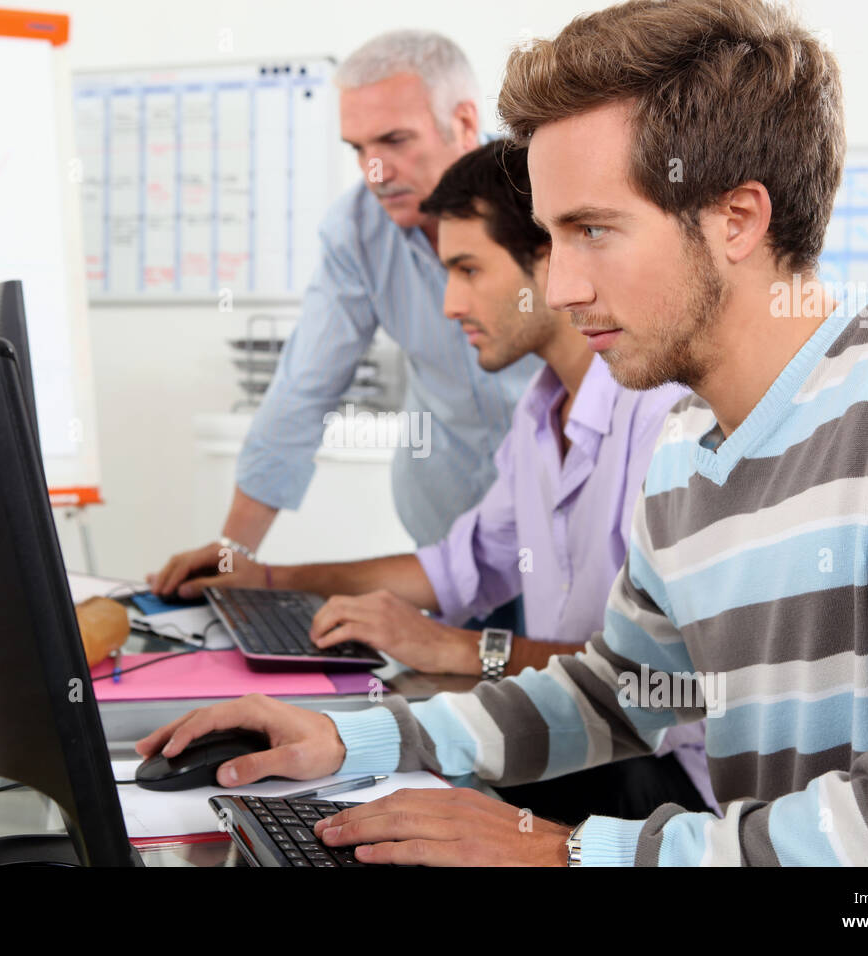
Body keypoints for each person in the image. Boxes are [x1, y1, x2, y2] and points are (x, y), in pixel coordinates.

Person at [139, 0, 868, 866]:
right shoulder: (687, 446)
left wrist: (568, 853)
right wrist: (363, 739)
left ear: (737, 219)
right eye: (552, 239)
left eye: (593, 230)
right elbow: (620, 692)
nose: (560, 289)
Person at [160, 139, 715, 821]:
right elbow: (457, 568)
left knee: (400, 790)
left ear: (550, 261)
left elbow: (662, 685)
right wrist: (266, 577)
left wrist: (462, 648)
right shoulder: (539, 415)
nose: (450, 304)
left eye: (468, 269)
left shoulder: (667, 417)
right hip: (585, 750)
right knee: (351, 793)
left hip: (670, 783)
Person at [150, 30, 542, 601]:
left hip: (562, 512)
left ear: (461, 121)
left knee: (558, 674)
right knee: (457, 676)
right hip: (445, 519)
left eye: (394, 140)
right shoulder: (357, 229)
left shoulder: (543, 197)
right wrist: (238, 551)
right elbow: (303, 388)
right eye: (357, 148)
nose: (374, 172)